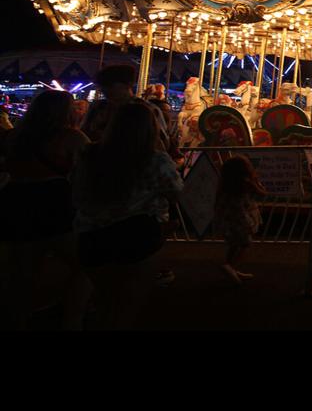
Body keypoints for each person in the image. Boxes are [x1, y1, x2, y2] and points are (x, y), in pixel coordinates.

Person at [71, 103, 182, 330]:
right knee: (127, 304)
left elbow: (76, 189)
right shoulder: (155, 159)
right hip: (135, 234)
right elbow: (177, 191)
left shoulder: (89, 154)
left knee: (104, 299)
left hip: (91, 234)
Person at [1, 90, 93, 330]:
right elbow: (87, 172)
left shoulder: (15, 136)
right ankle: (71, 318)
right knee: (86, 263)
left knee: (22, 271)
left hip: (16, 199)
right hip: (52, 201)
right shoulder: (72, 137)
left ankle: (17, 319)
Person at [82, 65, 169, 151]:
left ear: (128, 84)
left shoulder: (147, 110)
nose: (105, 90)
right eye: (102, 86)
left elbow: (160, 140)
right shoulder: (98, 107)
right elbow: (85, 133)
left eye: (110, 85)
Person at [214, 155, 267, 286]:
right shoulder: (246, 182)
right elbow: (262, 193)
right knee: (245, 244)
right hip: (242, 218)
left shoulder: (225, 184)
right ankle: (230, 266)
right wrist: (256, 181)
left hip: (228, 218)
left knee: (233, 243)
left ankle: (231, 268)